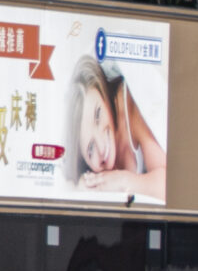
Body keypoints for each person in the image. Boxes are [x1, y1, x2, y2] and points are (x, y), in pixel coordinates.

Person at [70, 54, 168, 201]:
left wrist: (123, 181)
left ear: (103, 92)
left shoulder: (133, 108)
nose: (102, 146)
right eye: (90, 149)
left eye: (97, 115)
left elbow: (167, 185)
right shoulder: (90, 168)